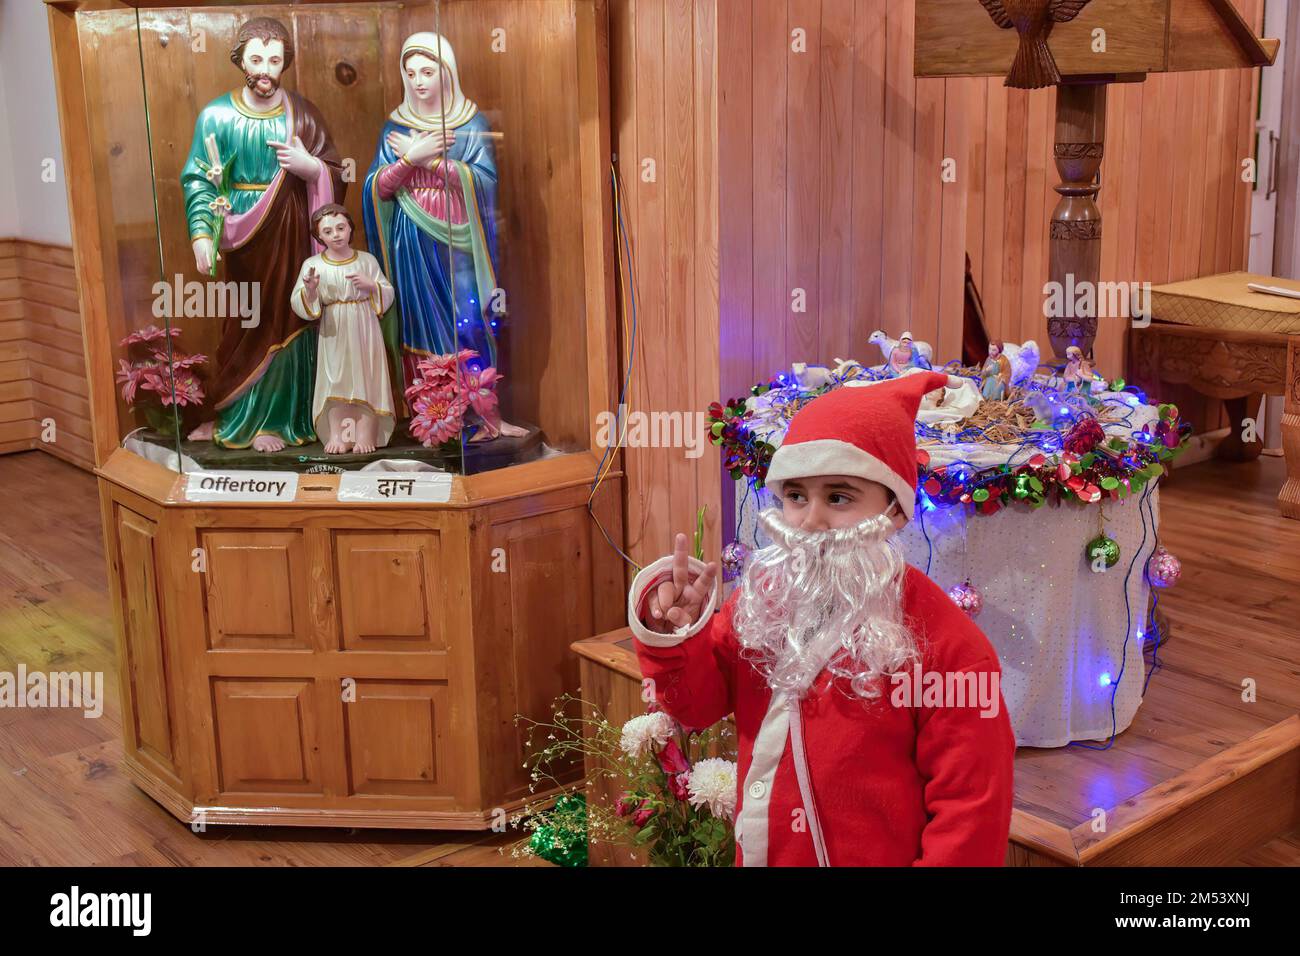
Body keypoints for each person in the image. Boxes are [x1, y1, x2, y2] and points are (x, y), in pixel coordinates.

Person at [628, 371, 1015, 866]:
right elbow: (697, 706)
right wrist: (672, 634)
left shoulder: (950, 649)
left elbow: (971, 816)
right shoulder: (761, 599)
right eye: (795, 496)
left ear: (895, 511)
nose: (809, 522)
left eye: (838, 497)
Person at [181, 16, 346, 452]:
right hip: (239, 235)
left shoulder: (303, 114)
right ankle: (238, 415)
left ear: (285, 62)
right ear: (240, 60)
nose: (265, 69)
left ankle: (282, 420)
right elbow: (198, 178)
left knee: (290, 320)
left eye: (275, 60)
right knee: (245, 325)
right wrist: (202, 234)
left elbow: (332, 170)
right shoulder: (216, 115)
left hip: (292, 231)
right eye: (256, 58)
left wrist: (312, 169)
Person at [291, 204, 397, 455]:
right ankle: (338, 434)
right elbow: (300, 302)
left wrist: (372, 286)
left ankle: (365, 434)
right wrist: (312, 290)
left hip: (364, 325)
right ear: (319, 237)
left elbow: (387, 292)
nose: (336, 235)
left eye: (340, 228)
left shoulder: (366, 260)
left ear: (350, 228)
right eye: (328, 231)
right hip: (334, 328)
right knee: (335, 379)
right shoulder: (313, 265)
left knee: (367, 377)